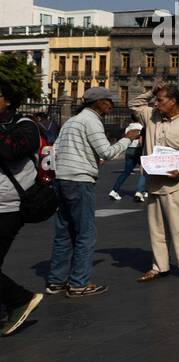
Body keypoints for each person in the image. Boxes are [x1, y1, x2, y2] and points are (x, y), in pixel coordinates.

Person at [46, 87, 140, 297]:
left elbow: (59, 148)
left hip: (62, 179)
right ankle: (79, 283)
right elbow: (106, 151)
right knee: (85, 233)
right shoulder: (92, 121)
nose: (111, 106)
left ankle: (56, 281)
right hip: (80, 181)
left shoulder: (71, 121)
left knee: (64, 232)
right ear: (97, 102)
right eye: (108, 102)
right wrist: (127, 138)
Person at [132, 81, 179, 283]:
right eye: (156, 100)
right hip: (154, 183)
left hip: (178, 185)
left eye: (160, 100)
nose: (156, 103)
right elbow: (134, 104)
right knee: (156, 229)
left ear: (173, 101)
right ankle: (159, 266)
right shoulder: (151, 117)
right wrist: (152, 91)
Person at [0, 75, 45, 334]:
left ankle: (20, 299)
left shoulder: (26, 125)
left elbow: (10, 151)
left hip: (11, 207)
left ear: (8, 101)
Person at [107, 118, 148, 203]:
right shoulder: (141, 126)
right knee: (144, 171)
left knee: (126, 172)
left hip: (129, 150)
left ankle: (114, 191)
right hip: (138, 150)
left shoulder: (128, 127)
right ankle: (140, 192)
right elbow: (141, 141)